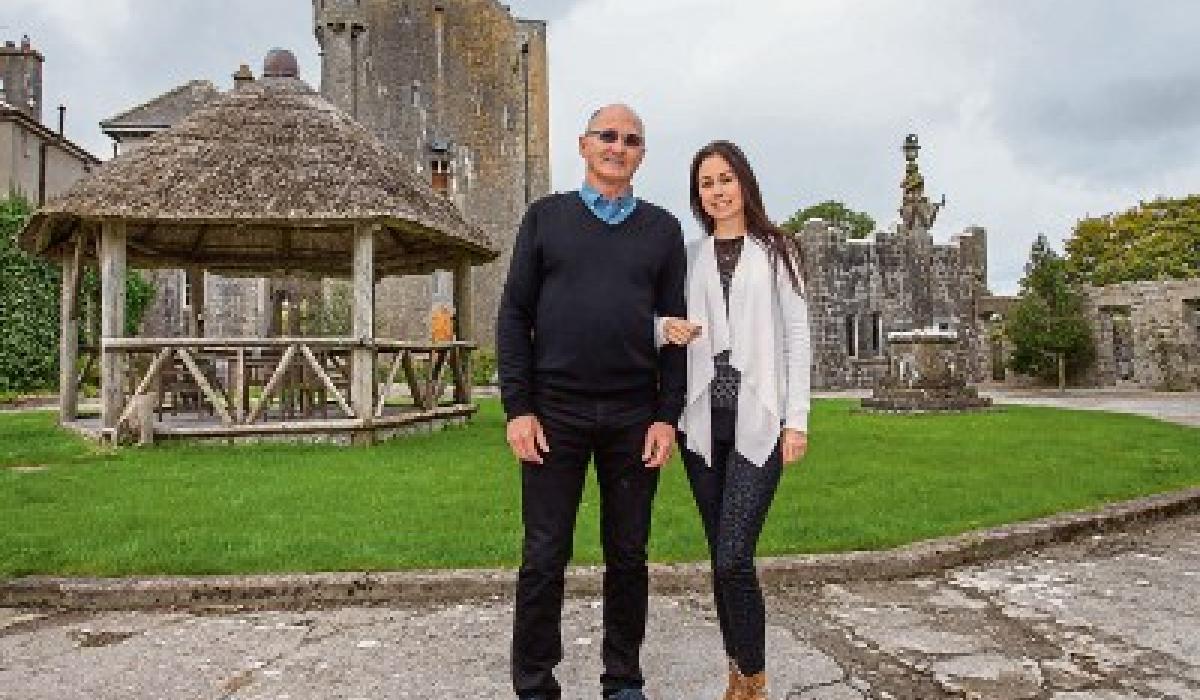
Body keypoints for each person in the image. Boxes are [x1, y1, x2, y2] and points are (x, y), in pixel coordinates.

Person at [497, 103, 687, 700]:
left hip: (634, 415)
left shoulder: (662, 230)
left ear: (641, 155)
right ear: (584, 146)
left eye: (631, 139)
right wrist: (518, 408)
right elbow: (513, 316)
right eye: (607, 136)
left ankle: (623, 680)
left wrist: (666, 416)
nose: (618, 147)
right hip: (555, 414)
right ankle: (534, 684)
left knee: (628, 556)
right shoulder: (545, 219)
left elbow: (675, 327)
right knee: (544, 555)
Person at [660, 140, 811, 700]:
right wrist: (664, 331)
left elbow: (797, 337)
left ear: (744, 183)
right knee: (721, 562)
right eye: (706, 183)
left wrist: (797, 421)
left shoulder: (778, 252)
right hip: (702, 425)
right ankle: (736, 675)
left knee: (733, 557)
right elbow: (663, 324)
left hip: (759, 422)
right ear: (697, 195)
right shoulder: (690, 256)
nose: (717, 191)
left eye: (725, 179)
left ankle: (755, 680)